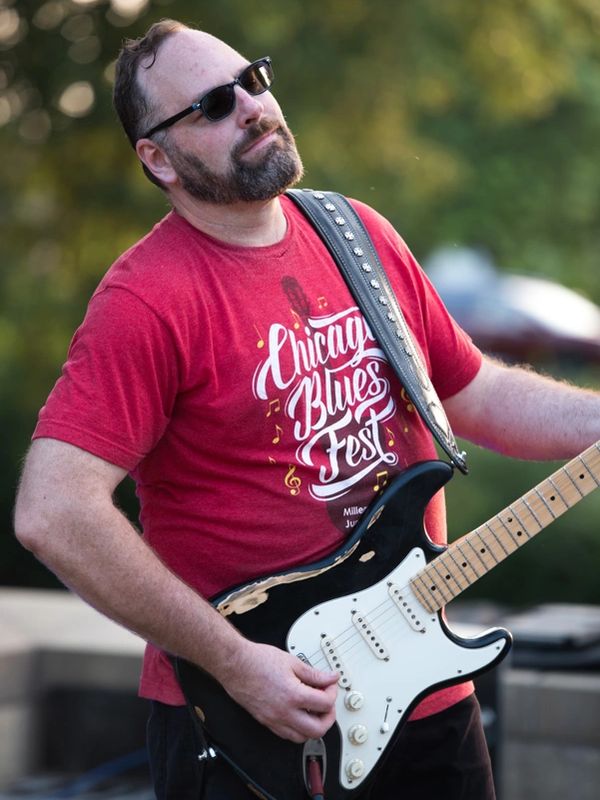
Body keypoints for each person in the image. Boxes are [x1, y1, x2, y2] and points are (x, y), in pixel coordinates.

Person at [13, 18, 600, 800]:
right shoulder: (146, 300)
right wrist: (233, 662)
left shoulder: (358, 234)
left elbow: (474, 392)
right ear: (158, 159)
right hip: (254, 724)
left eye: (252, 81)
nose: (251, 107)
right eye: (213, 105)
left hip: (428, 697)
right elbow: (53, 512)